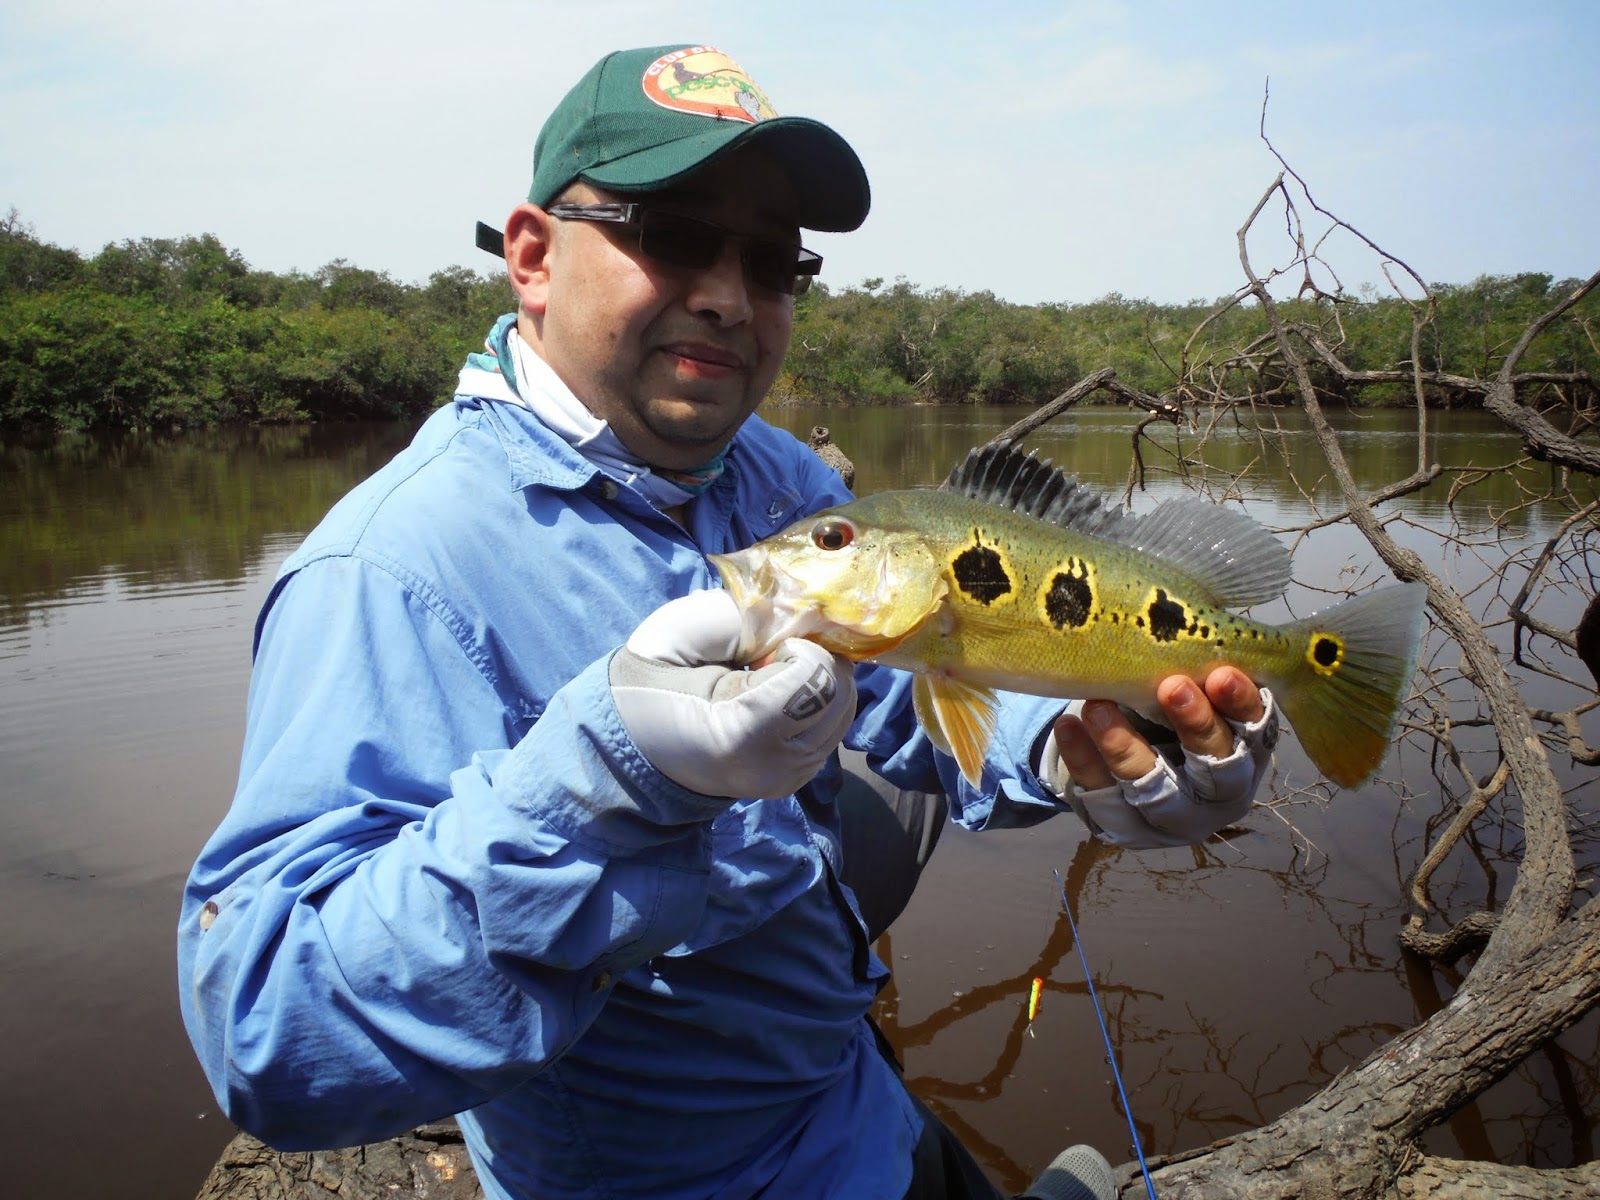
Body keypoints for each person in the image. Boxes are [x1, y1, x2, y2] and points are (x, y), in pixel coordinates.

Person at [178, 44, 1277, 1200]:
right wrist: (610, 782)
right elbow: (269, 1038)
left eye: (769, 261)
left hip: (855, 1106)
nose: (725, 291)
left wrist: (1078, 754)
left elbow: (920, 683)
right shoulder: (392, 569)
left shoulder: (774, 474)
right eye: (672, 234)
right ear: (533, 257)